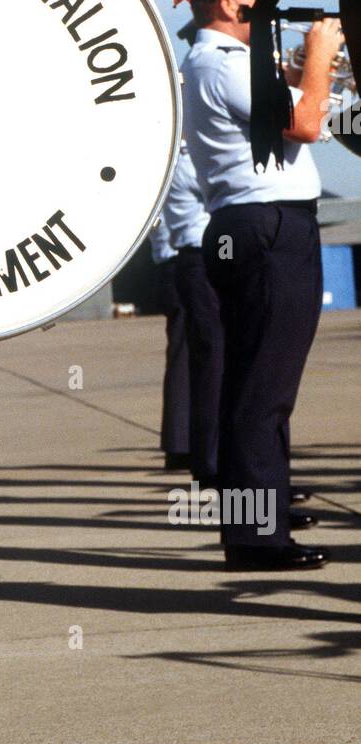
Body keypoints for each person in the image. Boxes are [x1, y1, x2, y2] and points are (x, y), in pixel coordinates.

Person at [180, 0, 336, 571]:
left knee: (258, 384)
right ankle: (254, 538)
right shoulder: (219, 62)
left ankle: (260, 518)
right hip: (268, 226)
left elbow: (292, 98)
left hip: (257, 224)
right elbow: (303, 125)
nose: (265, 7)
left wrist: (308, 66)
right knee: (263, 390)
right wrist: (321, 57)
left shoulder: (224, 60)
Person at [161, 140, 221, 488]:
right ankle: (204, 455)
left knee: (202, 359)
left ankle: (196, 449)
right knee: (209, 360)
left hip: (196, 259)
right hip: (198, 258)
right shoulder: (184, 162)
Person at [147, 218, 190, 472]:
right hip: (181, 258)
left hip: (170, 265)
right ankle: (181, 445)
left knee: (182, 357)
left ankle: (180, 444)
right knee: (186, 358)